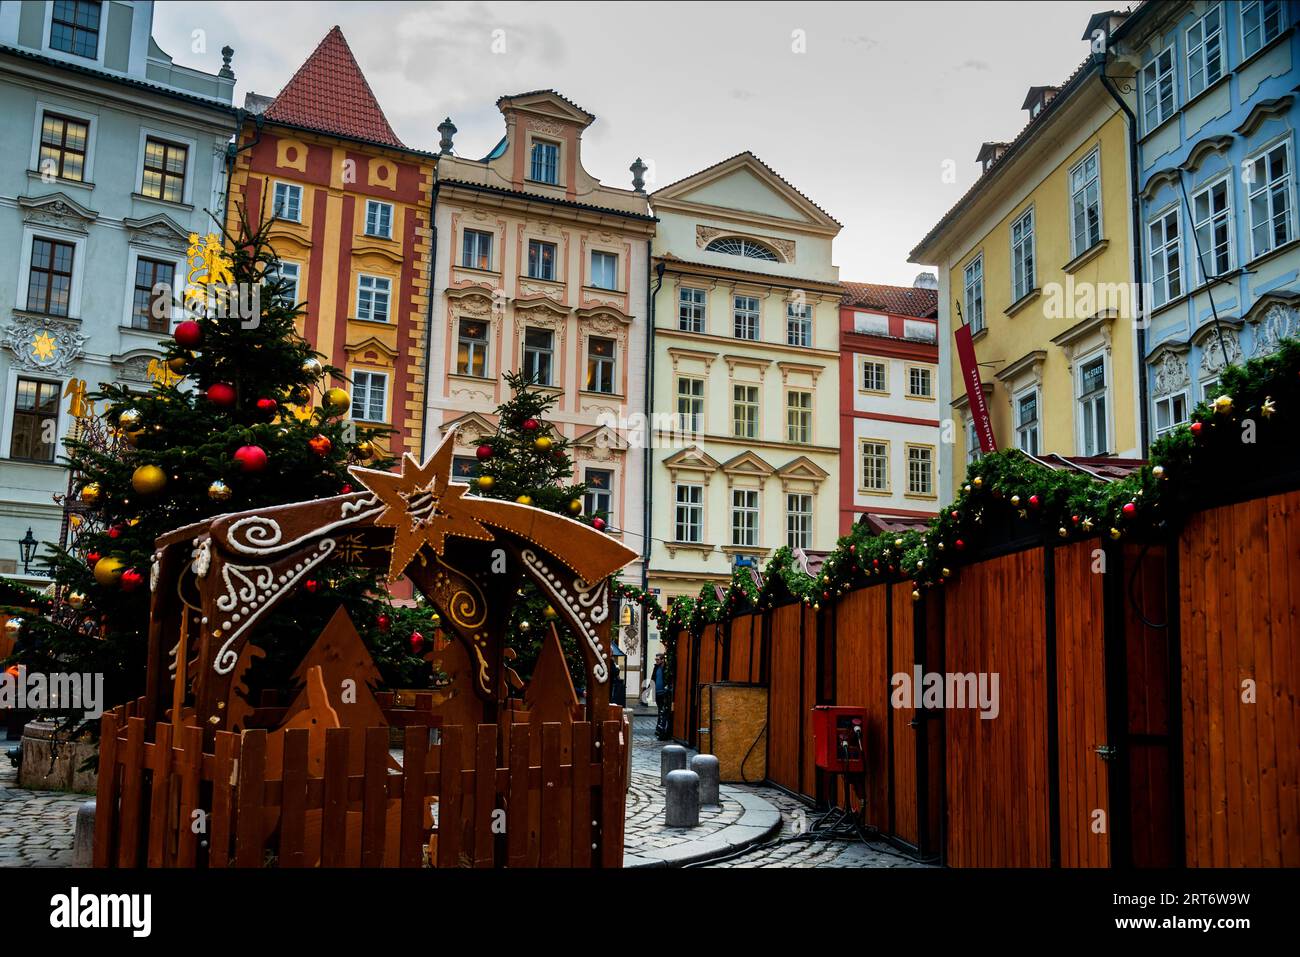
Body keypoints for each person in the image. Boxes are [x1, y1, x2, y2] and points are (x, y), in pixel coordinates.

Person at [649, 653, 671, 739]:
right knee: (660, 711)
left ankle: (661, 729)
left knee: (663, 711)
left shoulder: (666, 669)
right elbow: (652, 679)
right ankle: (658, 729)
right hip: (657, 693)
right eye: (656, 660)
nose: (656, 661)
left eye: (658, 659)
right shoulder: (656, 667)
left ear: (662, 660)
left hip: (664, 693)